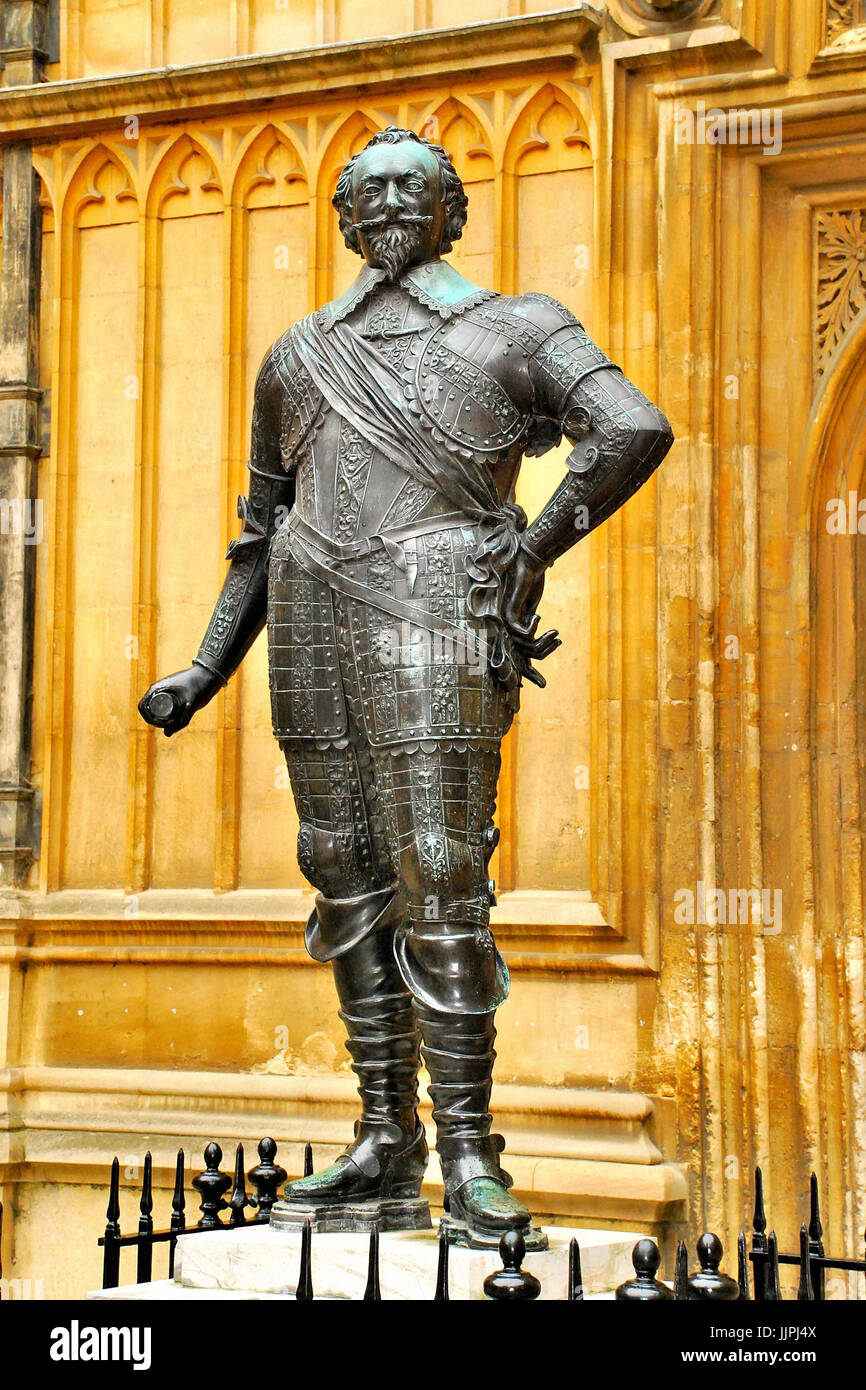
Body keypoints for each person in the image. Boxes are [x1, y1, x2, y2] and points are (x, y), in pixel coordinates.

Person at [139, 126, 673, 1248]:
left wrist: (529, 547)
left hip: (436, 613)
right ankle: (386, 1137)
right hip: (307, 622)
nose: (386, 206)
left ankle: (471, 1149)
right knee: (341, 874)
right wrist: (203, 663)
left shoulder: (517, 325)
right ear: (339, 216)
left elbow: (628, 427)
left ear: (451, 211)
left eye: (409, 188)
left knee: (439, 868)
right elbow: (259, 530)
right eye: (365, 192)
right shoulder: (296, 352)